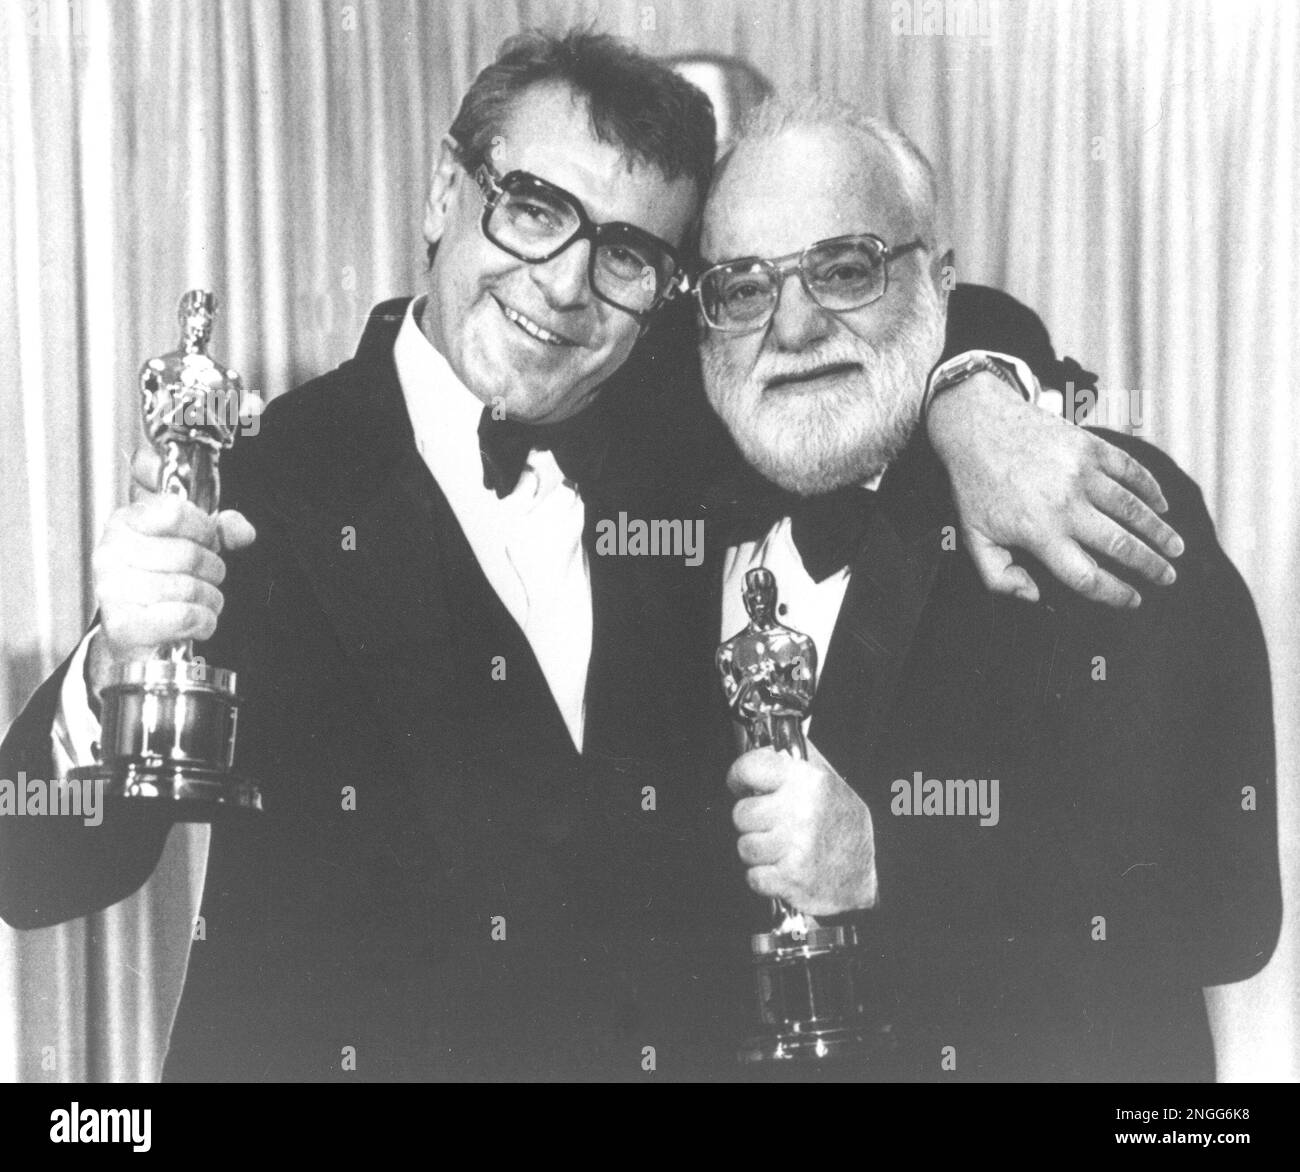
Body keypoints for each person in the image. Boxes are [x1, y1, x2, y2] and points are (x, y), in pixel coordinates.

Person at [1, 30, 1183, 1081]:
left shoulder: (685, 445)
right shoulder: (263, 484)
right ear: (441, 195)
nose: (564, 285)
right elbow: (29, 867)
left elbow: (884, 302)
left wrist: (978, 400)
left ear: (666, 293)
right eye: (530, 208)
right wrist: (112, 671)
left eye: (623, 254)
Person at [694, 94, 1281, 1080]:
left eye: (844, 269)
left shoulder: (1076, 497)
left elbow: (1224, 908)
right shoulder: (656, 519)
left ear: (940, 281)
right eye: (743, 286)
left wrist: (895, 864)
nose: (791, 325)